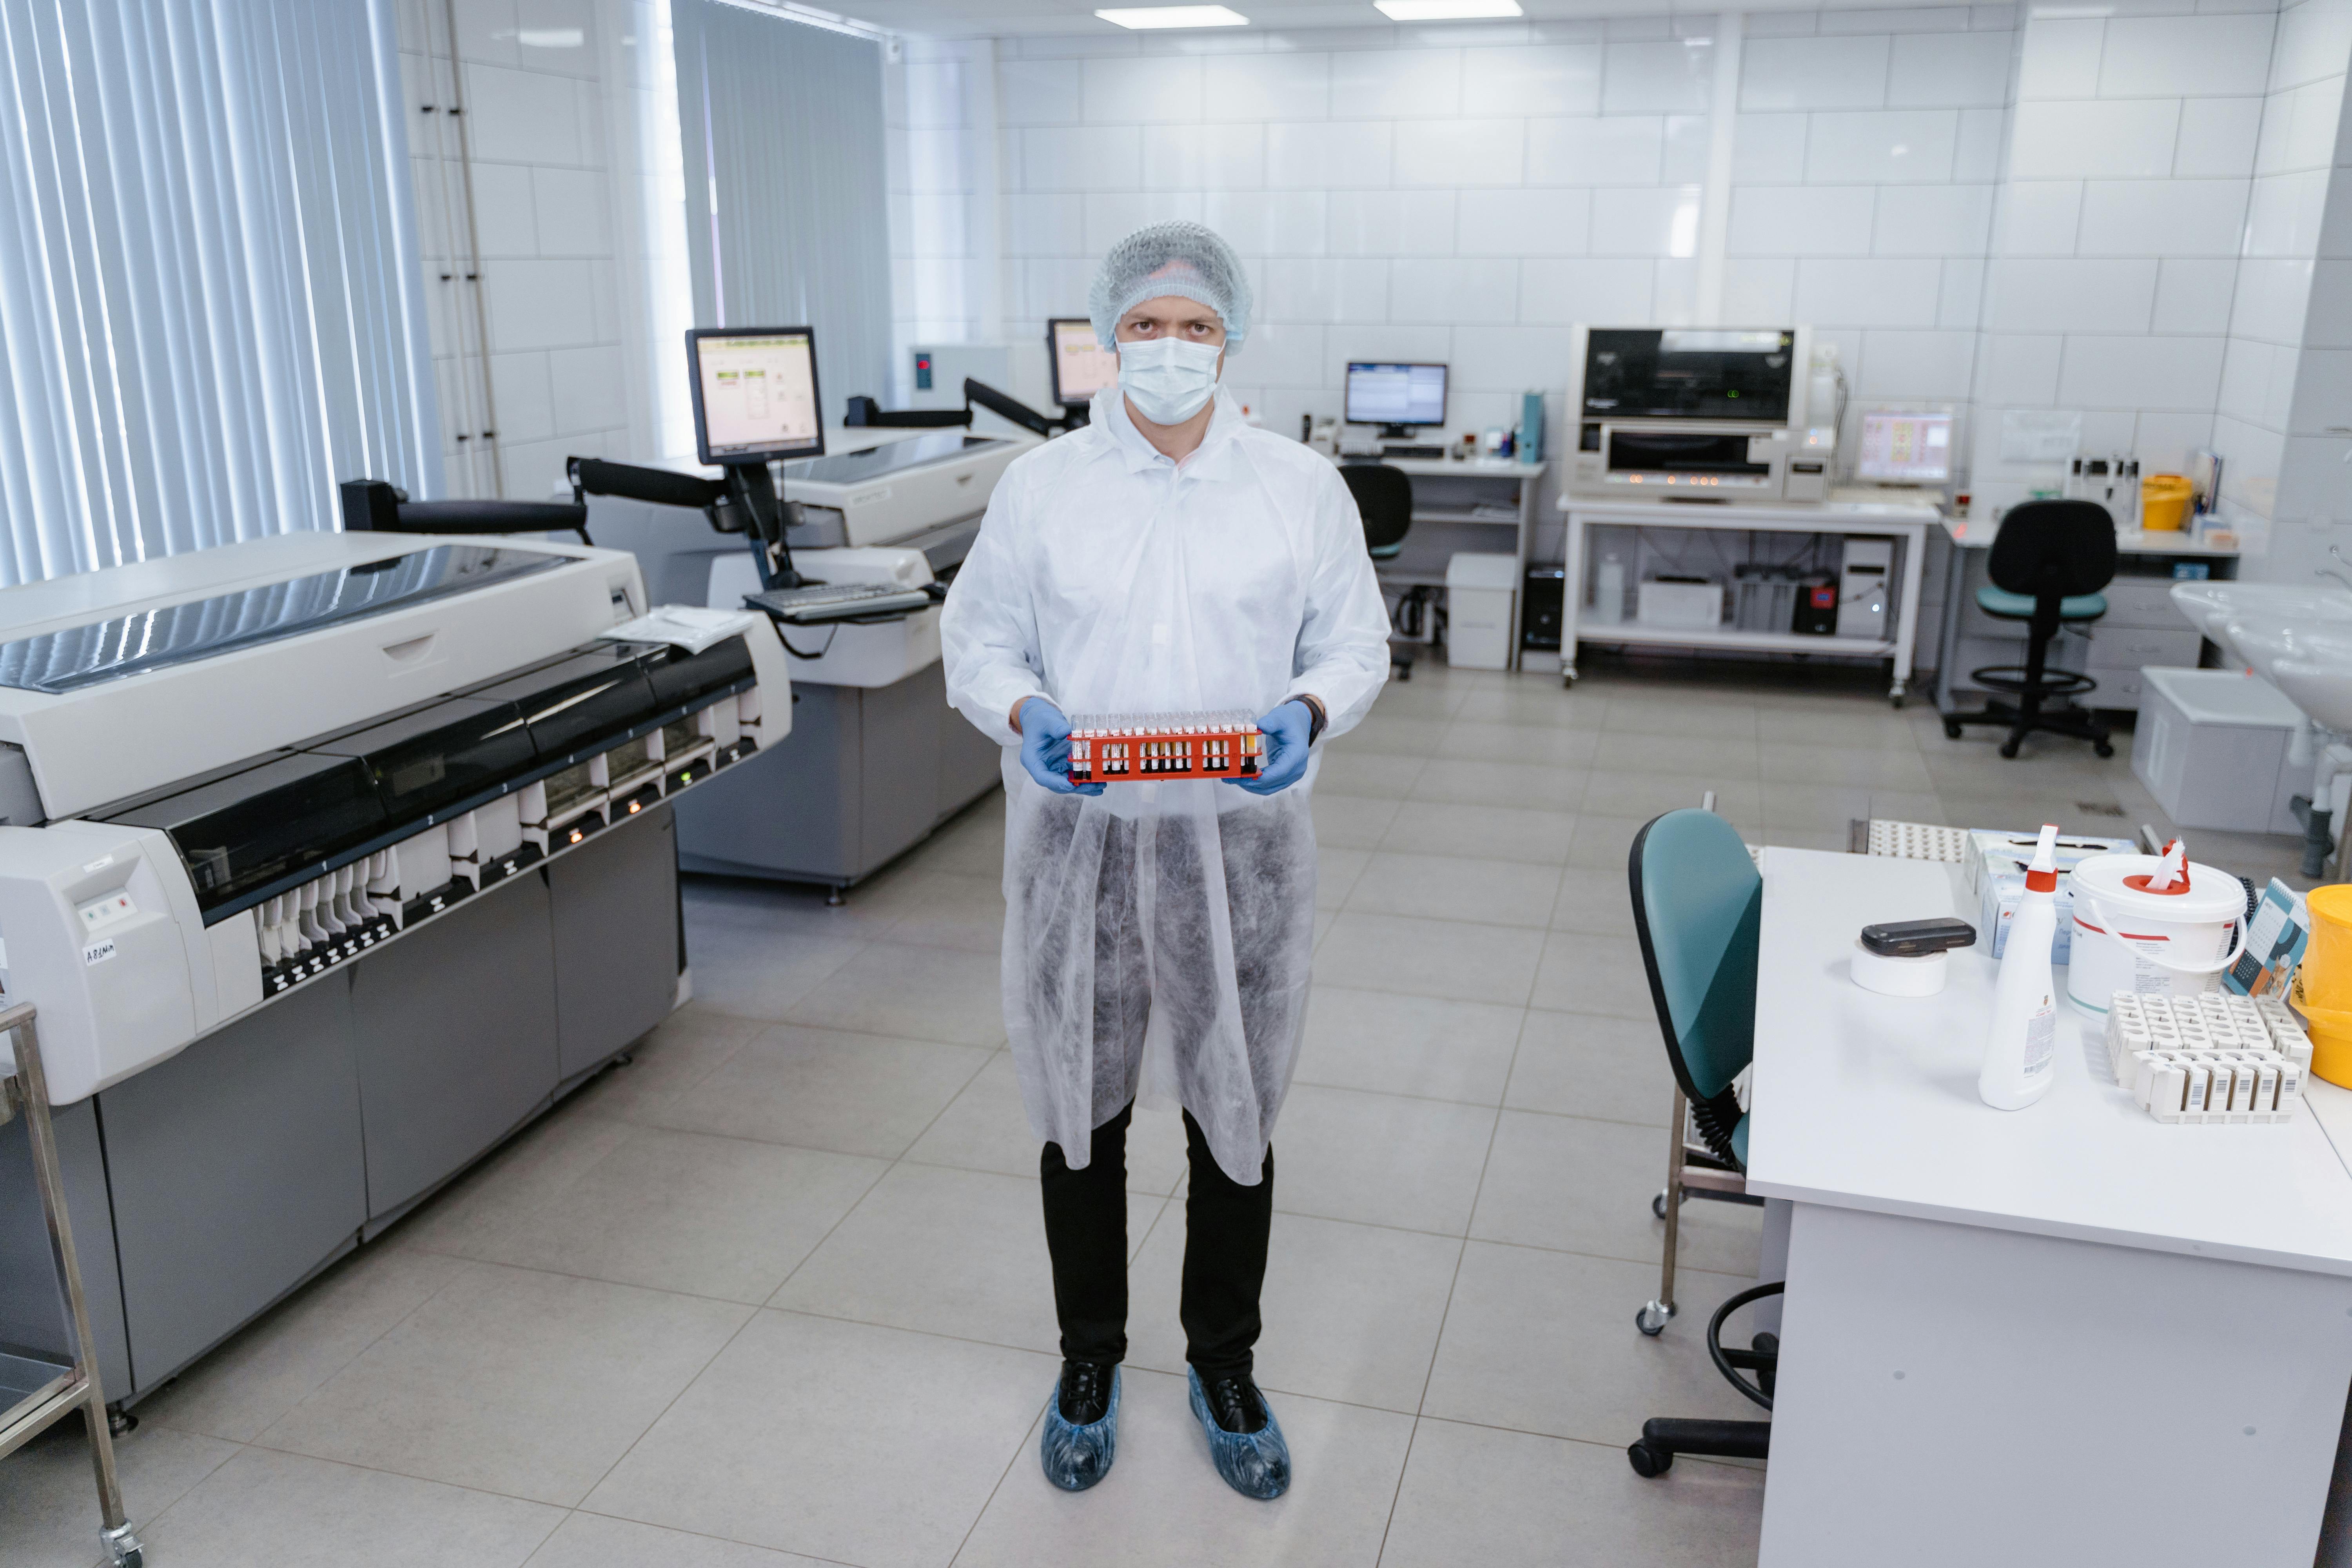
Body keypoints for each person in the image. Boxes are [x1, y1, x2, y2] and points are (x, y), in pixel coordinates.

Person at [940, 221, 1390, 1501]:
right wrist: (1027, 714)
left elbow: (1353, 642)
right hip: (1078, 849)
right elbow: (980, 642)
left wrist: (1307, 712)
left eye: (1196, 327)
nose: (1172, 348)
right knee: (1078, 1114)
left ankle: (1223, 1364)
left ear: (1229, 340)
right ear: (1109, 336)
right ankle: (1088, 1361)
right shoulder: (1044, 489)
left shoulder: (1297, 487)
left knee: (1231, 1113)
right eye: (1147, 325)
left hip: (1240, 850)